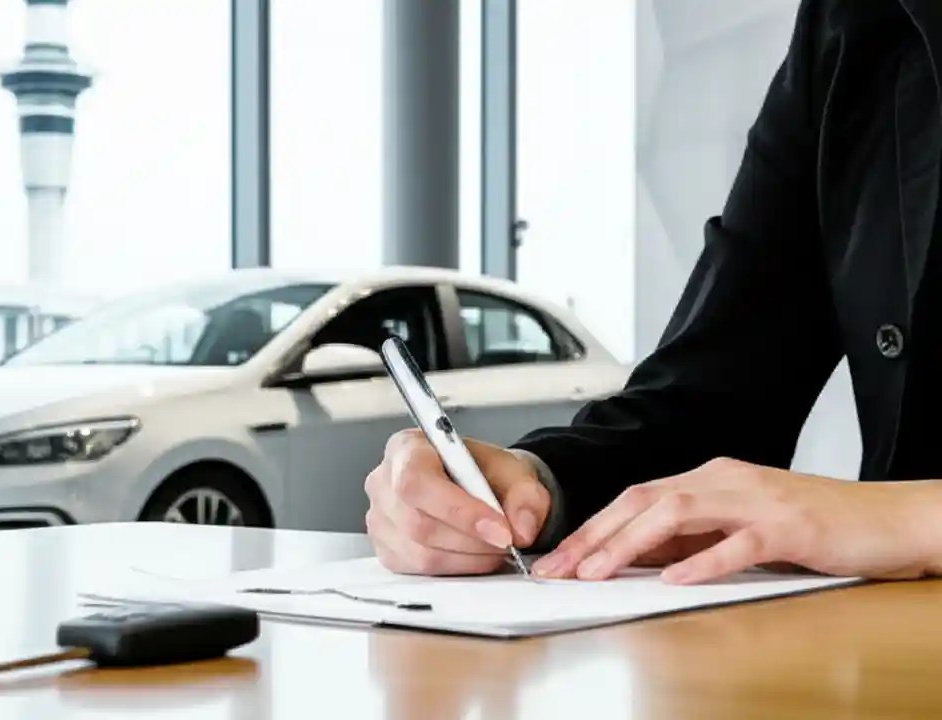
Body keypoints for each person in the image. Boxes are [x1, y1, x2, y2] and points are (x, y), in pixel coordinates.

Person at [365, 0, 942, 585]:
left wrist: (915, 520)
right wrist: (534, 485)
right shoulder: (857, 26)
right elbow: (710, 400)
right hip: (892, 646)